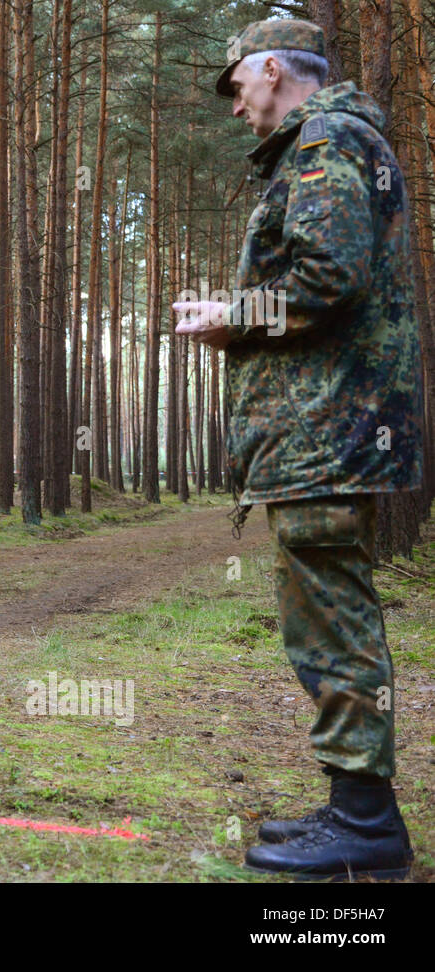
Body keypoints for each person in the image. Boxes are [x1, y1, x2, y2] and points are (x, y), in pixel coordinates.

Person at [173, 19, 423, 880]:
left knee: (333, 617)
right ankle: (356, 807)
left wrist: (226, 316)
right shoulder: (329, 142)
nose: (236, 104)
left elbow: (329, 277)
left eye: (237, 84)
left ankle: (365, 824)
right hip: (327, 422)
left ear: (273, 67)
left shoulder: (326, 141)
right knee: (324, 612)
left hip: (330, 423)